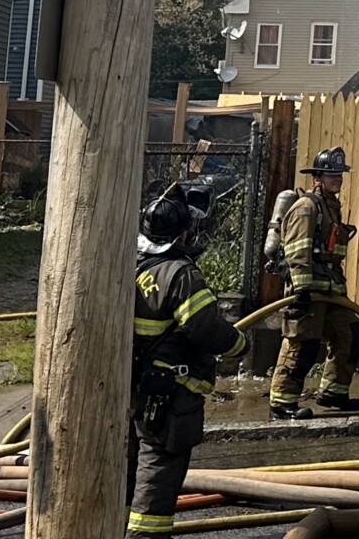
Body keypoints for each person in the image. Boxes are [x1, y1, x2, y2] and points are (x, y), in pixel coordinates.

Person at [129, 182, 246, 536]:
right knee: (160, 465)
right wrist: (240, 345)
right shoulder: (180, 274)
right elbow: (205, 328)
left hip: (134, 383)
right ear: (181, 235)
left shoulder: (131, 265)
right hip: (169, 392)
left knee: (129, 464)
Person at [269, 146, 359, 420]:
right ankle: (281, 402)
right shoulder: (307, 208)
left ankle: (334, 392)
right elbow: (298, 251)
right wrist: (301, 290)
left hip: (331, 291)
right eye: (332, 174)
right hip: (308, 292)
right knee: (302, 346)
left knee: (350, 336)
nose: (338, 179)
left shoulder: (330, 207)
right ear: (317, 177)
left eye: (340, 174)